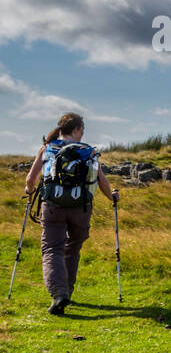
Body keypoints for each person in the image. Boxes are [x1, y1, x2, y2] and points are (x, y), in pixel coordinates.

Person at [23, 113, 118, 315]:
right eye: (81, 130)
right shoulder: (89, 152)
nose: (82, 134)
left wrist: (30, 193)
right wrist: (113, 197)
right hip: (81, 209)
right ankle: (68, 291)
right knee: (72, 248)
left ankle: (59, 294)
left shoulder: (47, 148)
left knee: (52, 249)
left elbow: (31, 178)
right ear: (75, 129)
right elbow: (101, 182)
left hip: (53, 207)